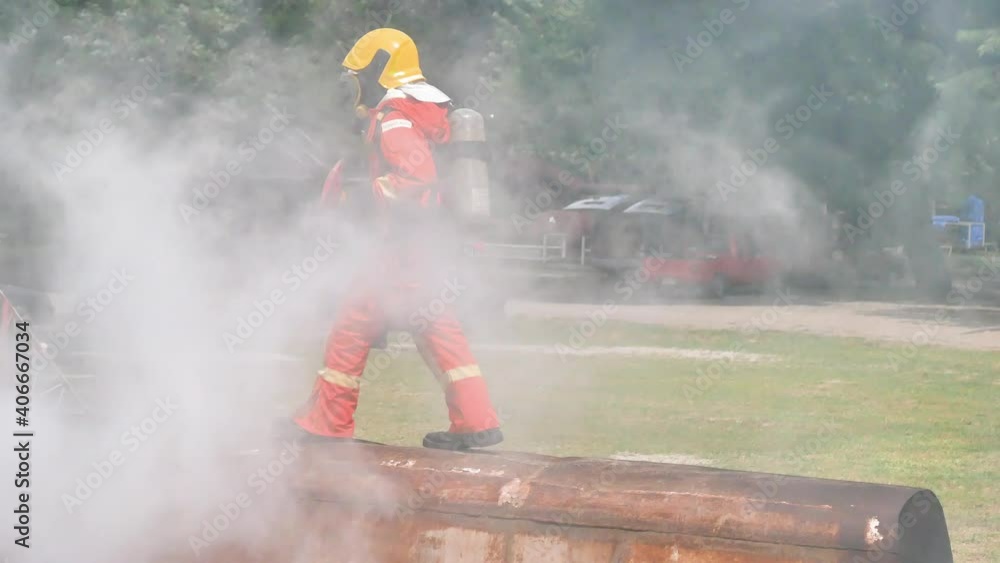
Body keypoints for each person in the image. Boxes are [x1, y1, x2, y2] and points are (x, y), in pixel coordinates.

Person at [284, 28, 502, 451]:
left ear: (377, 73)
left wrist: (367, 197)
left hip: (399, 251)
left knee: (352, 324)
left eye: (357, 75)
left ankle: (328, 422)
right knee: (438, 329)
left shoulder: (395, 116)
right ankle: (477, 420)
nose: (354, 87)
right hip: (423, 248)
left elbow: (418, 177)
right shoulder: (425, 112)